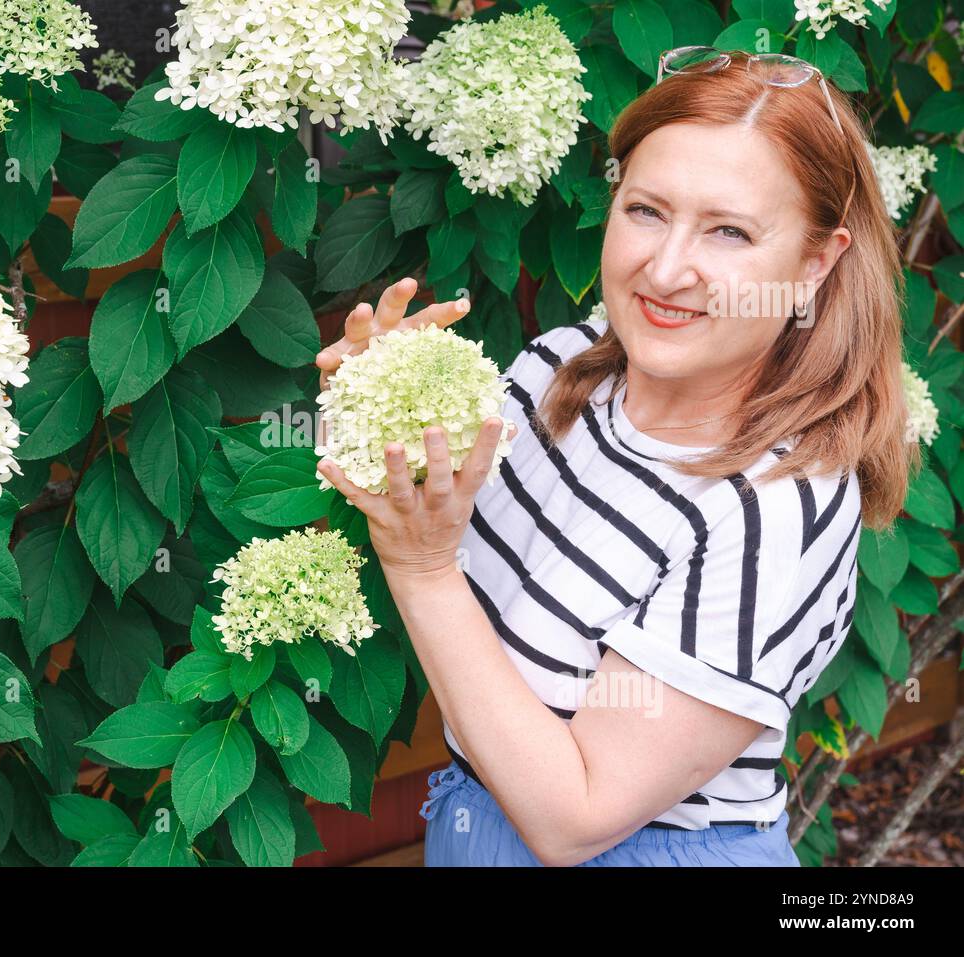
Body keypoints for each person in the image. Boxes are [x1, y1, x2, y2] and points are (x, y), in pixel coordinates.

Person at [313, 48, 912, 866]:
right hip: (473, 816)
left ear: (814, 265)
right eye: (647, 210)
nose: (666, 270)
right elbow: (409, 506)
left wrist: (423, 569)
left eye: (729, 230)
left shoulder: (774, 503)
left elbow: (575, 816)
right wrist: (370, 400)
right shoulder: (557, 369)